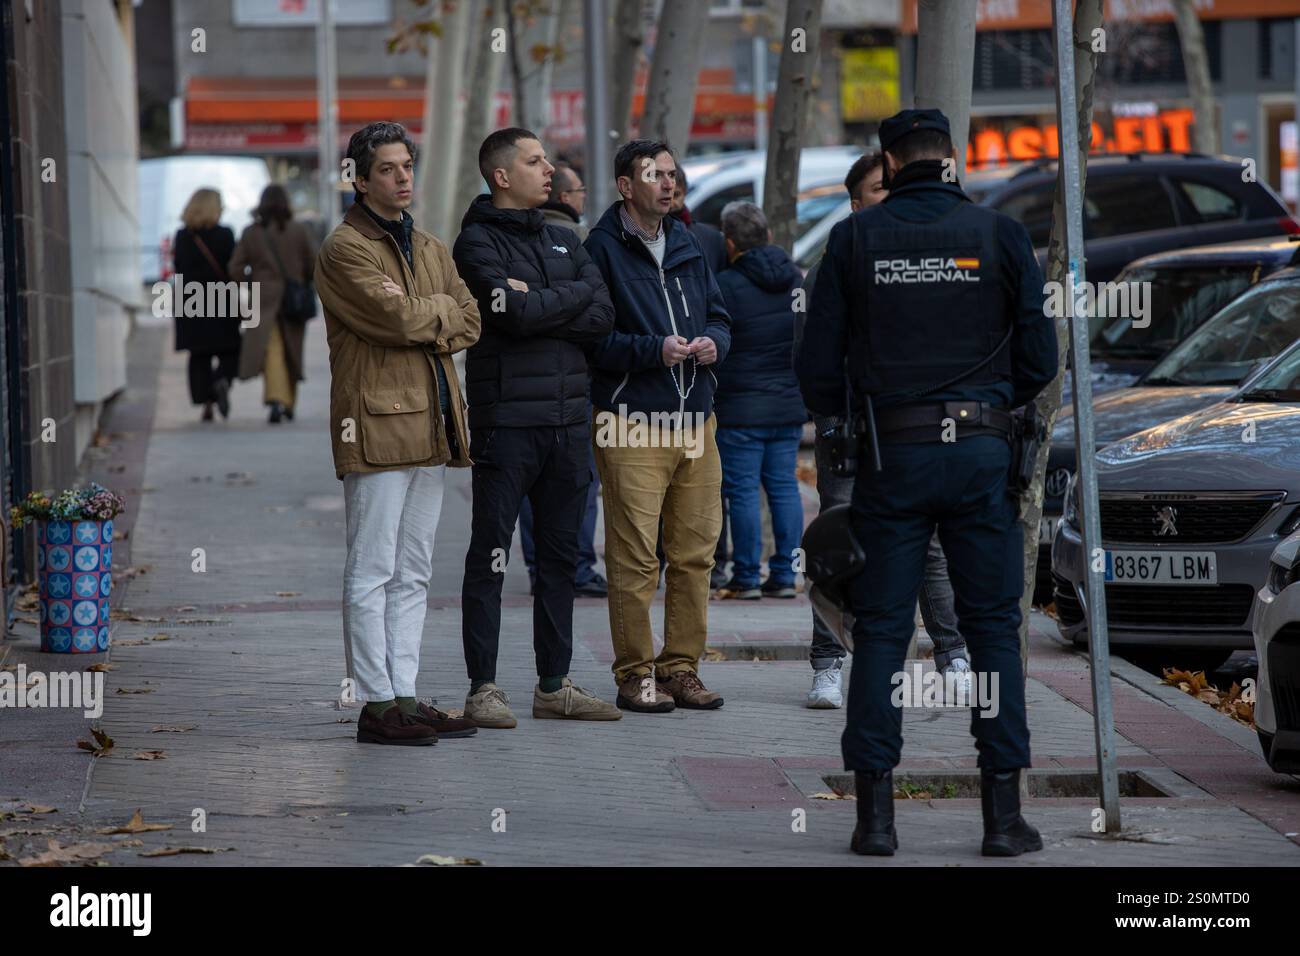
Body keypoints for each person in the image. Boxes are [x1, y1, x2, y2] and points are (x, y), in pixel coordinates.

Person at [796, 109, 1057, 856]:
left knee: (881, 631)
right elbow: (1041, 359)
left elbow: (815, 368)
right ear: (953, 157)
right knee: (992, 632)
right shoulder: (1000, 234)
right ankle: (1002, 820)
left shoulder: (853, 238)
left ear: (888, 159)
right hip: (980, 455)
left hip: (891, 458)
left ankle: (875, 822)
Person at [315, 121, 482, 747]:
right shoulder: (344, 249)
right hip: (378, 426)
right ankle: (375, 702)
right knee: (371, 568)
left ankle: (405, 694)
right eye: (387, 168)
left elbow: (469, 318)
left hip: (434, 424)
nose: (402, 177)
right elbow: (393, 319)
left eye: (406, 165)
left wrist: (427, 315)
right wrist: (431, 313)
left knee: (414, 570)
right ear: (359, 178)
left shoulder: (433, 247)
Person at [453, 128, 620, 728]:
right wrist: (561, 301)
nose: (549, 168)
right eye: (534, 160)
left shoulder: (563, 238)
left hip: (569, 424)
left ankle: (554, 684)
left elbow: (603, 316)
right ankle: (483, 688)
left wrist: (544, 300)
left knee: (560, 561)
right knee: (491, 557)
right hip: (507, 426)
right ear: (501, 176)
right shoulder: (474, 244)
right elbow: (510, 313)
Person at [796, 151, 974, 710]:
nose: (891, 196)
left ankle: (954, 657)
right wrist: (836, 419)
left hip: (921, 429)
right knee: (841, 540)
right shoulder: (833, 263)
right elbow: (813, 356)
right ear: (855, 204)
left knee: (931, 545)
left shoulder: (928, 257)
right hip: (851, 431)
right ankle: (829, 665)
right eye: (879, 189)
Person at [584, 139, 732, 713]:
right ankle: (634, 673)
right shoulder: (599, 249)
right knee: (636, 559)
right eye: (655, 175)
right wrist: (653, 350)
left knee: (696, 555)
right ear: (626, 186)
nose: (668, 184)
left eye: (673, 174)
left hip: (697, 418)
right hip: (630, 422)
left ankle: (680, 669)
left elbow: (720, 315)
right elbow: (591, 339)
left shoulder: (690, 241)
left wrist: (715, 344)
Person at [711, 201, 805, 603]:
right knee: (784, 486)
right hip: (787, 404)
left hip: (740, 409)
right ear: (768, 236)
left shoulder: (725, 286)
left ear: (729, 243)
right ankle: (786, 574)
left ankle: (747, 576)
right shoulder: (795, 281)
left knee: (743, 491)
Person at [229, 185, 317, 424]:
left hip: (263, 298)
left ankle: (278, 400)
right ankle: (286, 401)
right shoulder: (299, 230)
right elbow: (313, 264)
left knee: (272, 349)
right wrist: (303, 281)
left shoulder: (251, 233)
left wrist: (254, 280)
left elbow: (235, 267)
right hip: (294, 298)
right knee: (292, 349)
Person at [172, 188, 239, 422]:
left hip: (191, 301)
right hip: (221, 299)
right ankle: (222, 378)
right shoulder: (225, 234)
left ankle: (206, 402)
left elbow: (178, 268)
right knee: (231, 349)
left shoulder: (181, 236)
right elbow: (233, 268)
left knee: (199, 355)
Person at [669, 167, 728, 276]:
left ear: (685, 191)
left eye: (676, 195)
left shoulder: (712, 238)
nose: (671, 202)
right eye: (667, 195)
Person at [539, 162, 589, 240]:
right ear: (565, 197)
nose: (583, 195)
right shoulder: (579, 233)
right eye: (580, 189)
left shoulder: (532, 229)